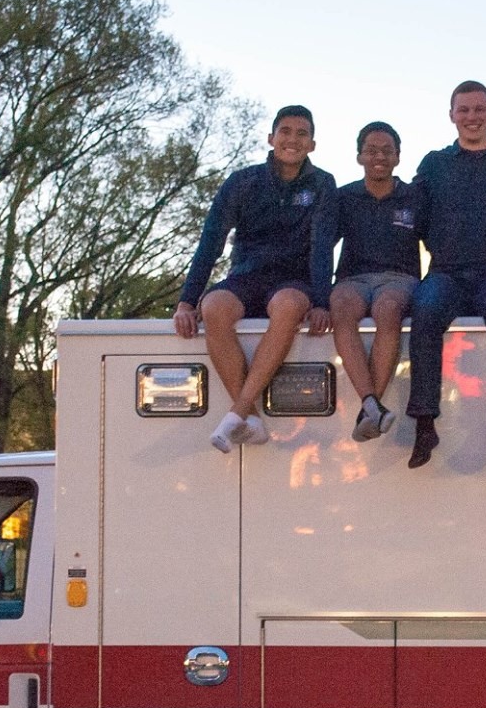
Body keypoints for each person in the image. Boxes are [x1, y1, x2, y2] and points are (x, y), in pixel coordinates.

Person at [174, 105, 337, 453]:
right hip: (246, 275)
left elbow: (322, 248)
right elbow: (211, 242)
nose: (293, 139)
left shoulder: (323, 184)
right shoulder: (242, 182)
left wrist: (322, 302)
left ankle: (236, 412)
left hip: (294, 280)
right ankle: (249, 418)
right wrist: (187, 300)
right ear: (271, 138)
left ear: (312, 144)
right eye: (286, 131)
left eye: (302, 133)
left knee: (289, 305)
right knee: (214, 306)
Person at [406, 80, 486, 469]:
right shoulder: (433, 164)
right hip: (446, 273)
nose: (472, 117)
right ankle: (425, 423)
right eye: (464, 110)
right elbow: (415, 217)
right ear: (451, 116)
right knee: (424, 312)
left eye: (479, 110)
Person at [329, 121, 418, 440]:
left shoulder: (415, 197)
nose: (379, 156)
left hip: (399, 278)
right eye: (371, 150)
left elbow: (446, 240)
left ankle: (370, 408)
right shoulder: (343, 197)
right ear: (359, 157)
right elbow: (320, 245)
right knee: (339, 306)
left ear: (397, 157)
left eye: (386, 150)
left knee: (388, 309)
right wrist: (315, 296)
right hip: (352, 280)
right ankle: (372, 405)